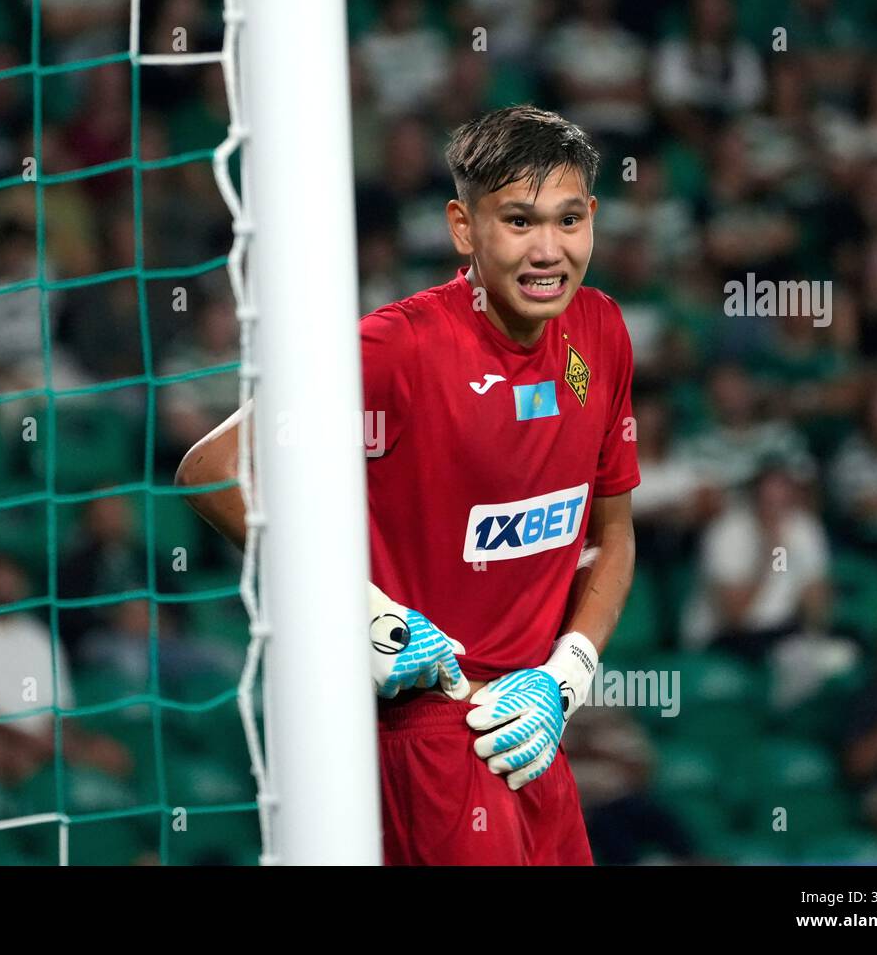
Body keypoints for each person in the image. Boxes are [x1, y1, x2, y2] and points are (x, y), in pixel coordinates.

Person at [175, 106, 639, 865]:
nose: (548, 250)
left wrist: (566, 674)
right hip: (426, 728)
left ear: (592, 218)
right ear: (464, 227)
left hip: (533, 725)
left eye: (567, 220)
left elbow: (612, 536)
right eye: (519, 222)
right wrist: (361, 613)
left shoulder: (601, 330)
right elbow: (211, 470)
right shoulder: (399, 346)